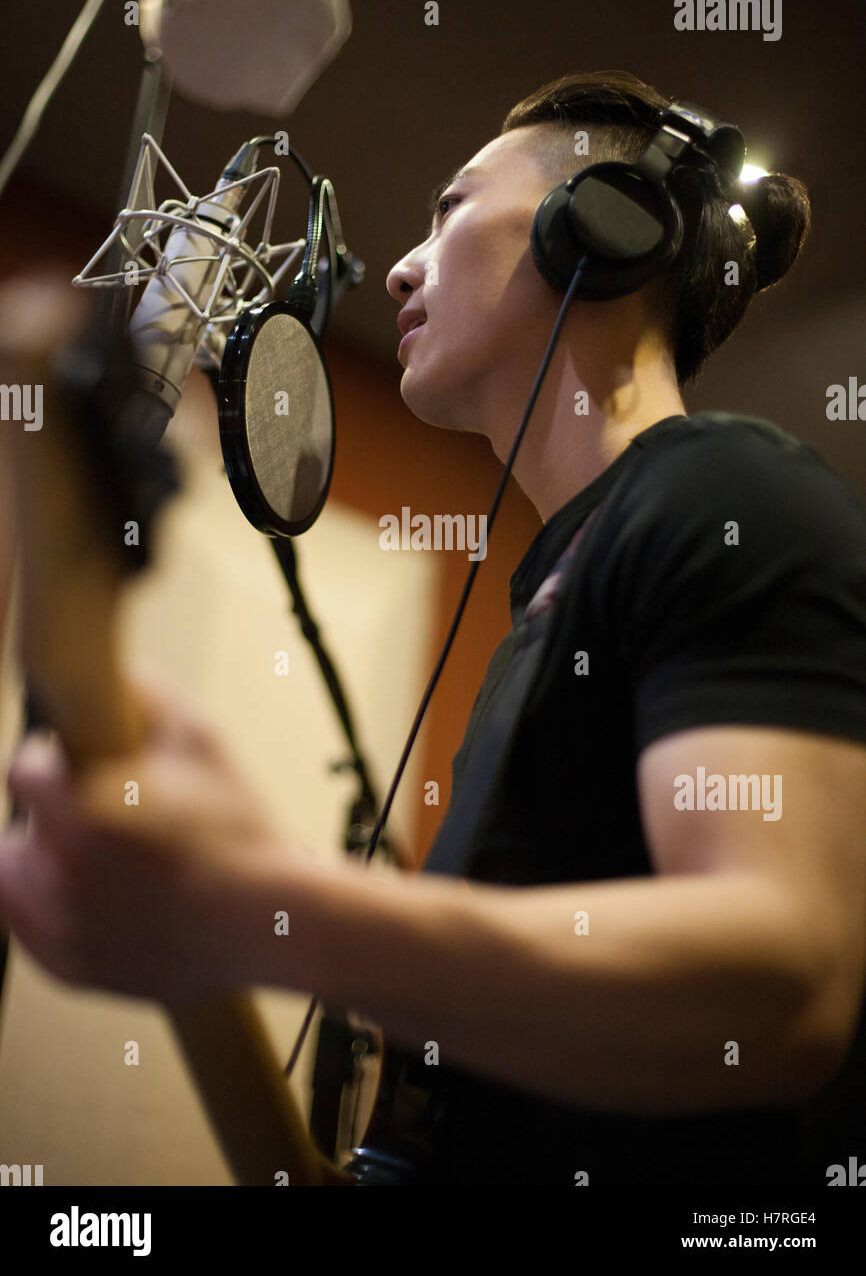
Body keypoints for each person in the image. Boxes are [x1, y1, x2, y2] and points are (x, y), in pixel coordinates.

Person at [1, 71, 864, 1187]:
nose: (401, 264)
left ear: (597, 225)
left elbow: (784, 988)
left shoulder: (732, 494)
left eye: (449, 210)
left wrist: (248, 903)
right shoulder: (538, 618)